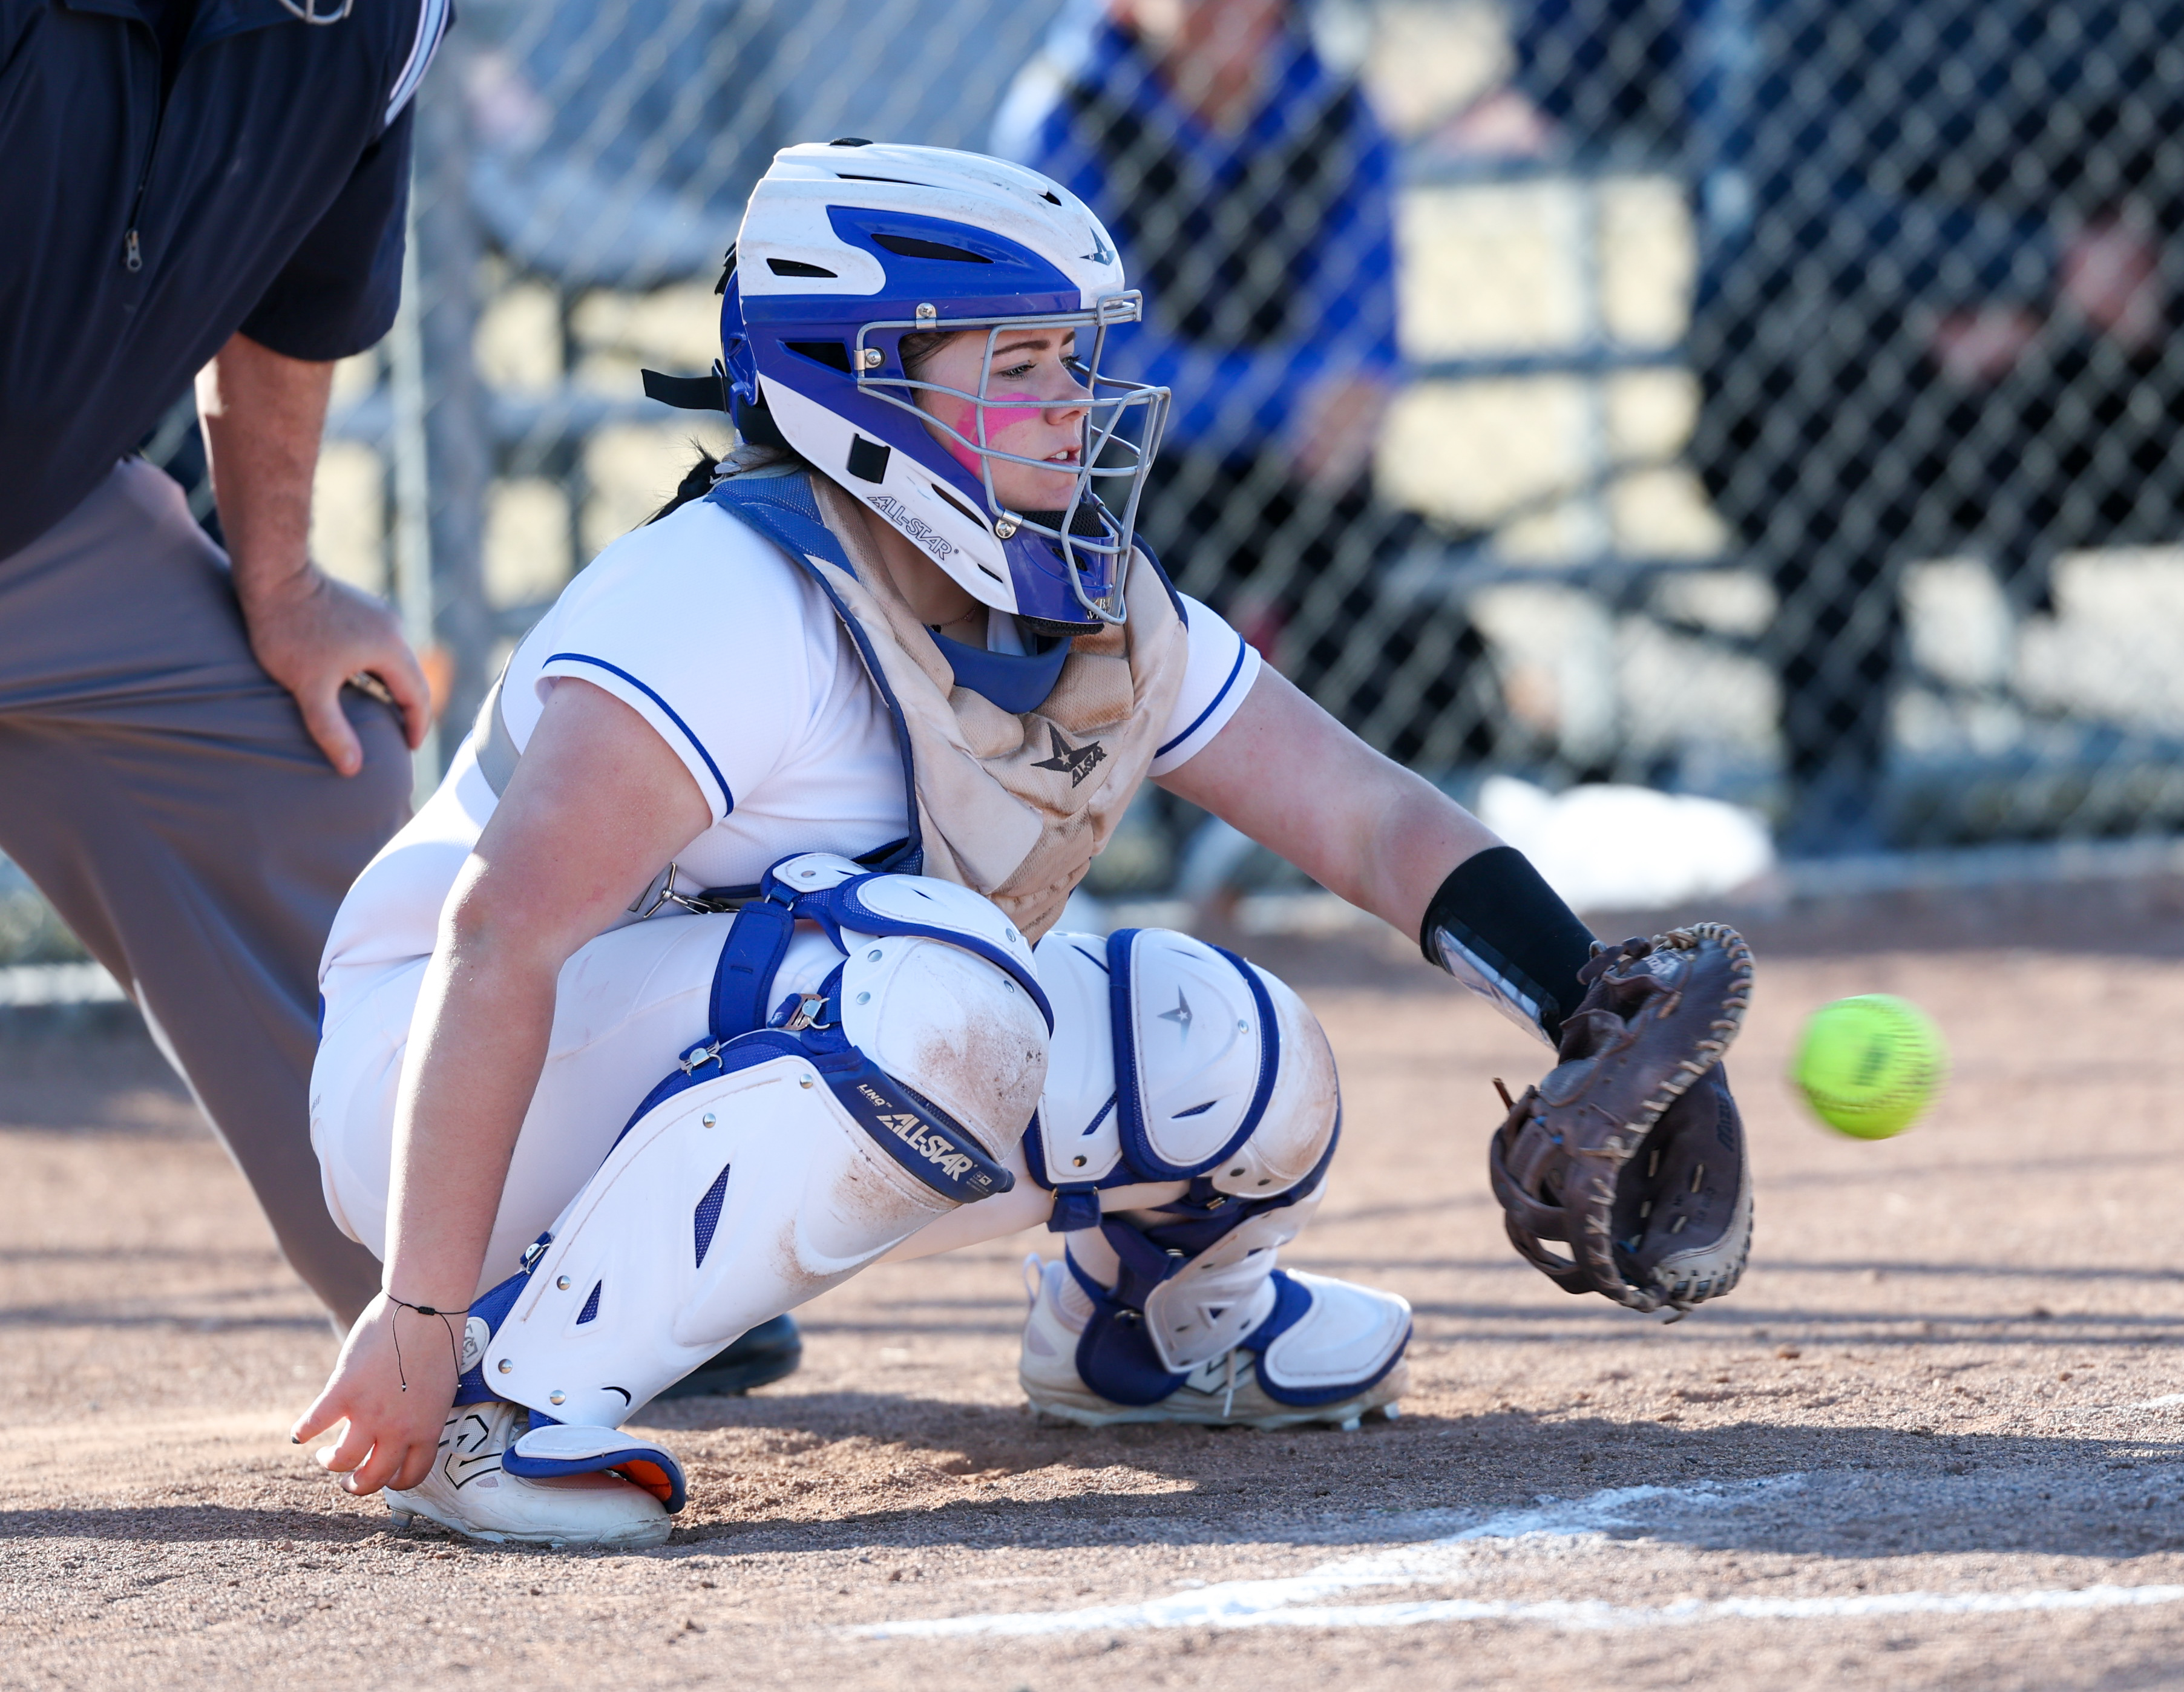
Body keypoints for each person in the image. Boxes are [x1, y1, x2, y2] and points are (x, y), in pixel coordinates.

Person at [291, 142, 1754, 1548]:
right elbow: (500, 938)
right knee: (944, 981)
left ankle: (1146, 1345)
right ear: (859, 384)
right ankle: (501, 1397)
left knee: (1228, 1041)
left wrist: (1576, 992)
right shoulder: (728, 592)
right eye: (1015, 366)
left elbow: (1363, 814)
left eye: (1073, 357)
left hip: (757, 1037)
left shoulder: (1072, 592)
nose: (1072, 402)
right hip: (438, 1093)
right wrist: (418, 1303)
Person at [0, 0, 452, 1328]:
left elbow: (295, 294)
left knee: (305, 763)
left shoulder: (379, 16)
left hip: (40, 527)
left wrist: (283, 581)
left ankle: (470, 1304)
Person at [1501, 0, 2184, 852]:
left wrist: (2070, 294)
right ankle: (1837, 804)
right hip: (1883, 377)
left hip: (2106, 366)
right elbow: (1787, 218)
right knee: (1813, 383)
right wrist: (2022, 269)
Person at [995, 0, 1494, 767]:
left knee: (1383, 608)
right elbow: (1105, 368)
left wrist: (1343, 398)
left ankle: (1349, 825)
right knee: (1141, 588)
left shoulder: (1332, 111)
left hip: (1309, 478)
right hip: (1126, 483)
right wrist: (1295, 397)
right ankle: (1179, 839)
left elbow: (1365, 333)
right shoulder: (1067, 113)